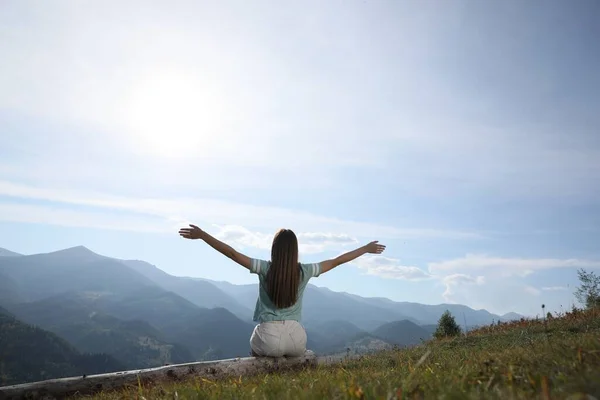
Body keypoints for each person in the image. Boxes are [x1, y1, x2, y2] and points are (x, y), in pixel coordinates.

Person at [178, 224, 386, 358]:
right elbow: (337, 260)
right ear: (295, 250)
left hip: (269, 337)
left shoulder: (264, 268)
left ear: (274, 248)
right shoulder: (305, 271)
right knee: (293, 353)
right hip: (297, 338)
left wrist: (203, 235)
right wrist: (365, 249)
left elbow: (232, 253)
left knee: (255, 342)